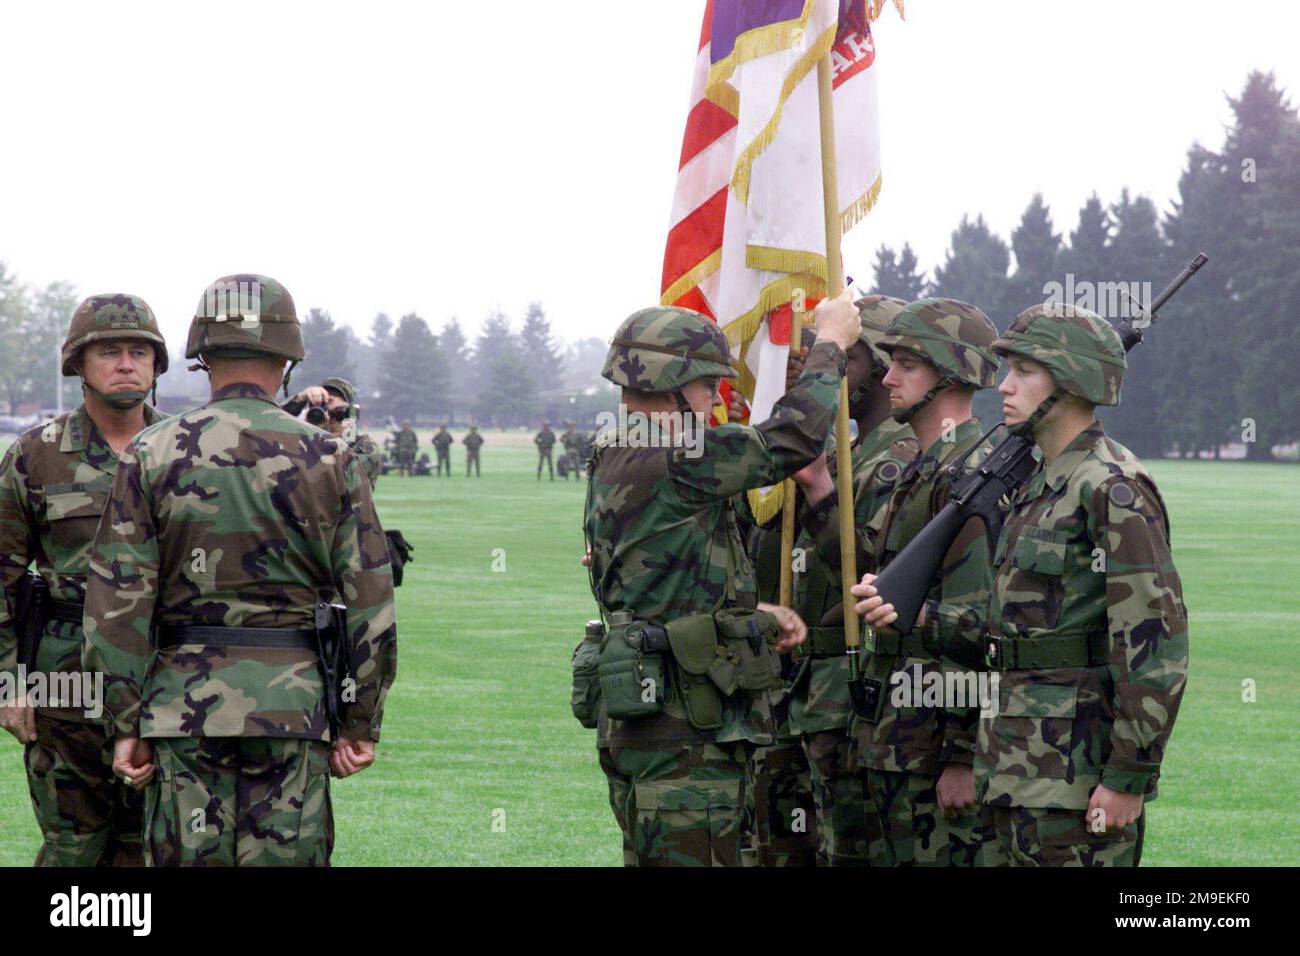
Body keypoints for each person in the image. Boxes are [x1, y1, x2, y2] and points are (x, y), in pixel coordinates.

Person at [81, 273, 398, 866]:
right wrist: (359, 719)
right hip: (293, 708)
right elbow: (371, 603)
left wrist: (124, 719)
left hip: (182, 710)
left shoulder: (151, 453)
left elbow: (116, 604)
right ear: (287, 359)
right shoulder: (332, 458)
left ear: (201, 355)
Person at [581, 290, 861, 866]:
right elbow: (792, 440)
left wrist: (752, 617)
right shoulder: (674, 452)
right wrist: (830, 344)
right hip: (683, 727)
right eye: (708, 384)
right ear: (672, 383)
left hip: (645, 710)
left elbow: (665, 577)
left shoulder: (617, 447)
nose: (717, 398)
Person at [978, 302, 1185, 865]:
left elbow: (1153, 642)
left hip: (1076, 776)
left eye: (1024, 371)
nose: (1004, 386)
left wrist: (1128, 776)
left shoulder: (1110, 488)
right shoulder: (1041, 485)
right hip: (1016, 765)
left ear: (1070, 380)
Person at [0, 293, 169, 867]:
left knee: (153, 843)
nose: (127, 364)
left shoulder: (186, 452)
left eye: (139, 352)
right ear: (78, 364)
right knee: (74, 847)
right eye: (111, 352)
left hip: (164, 673)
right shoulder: (36, 456)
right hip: (64, 677)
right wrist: (8, 684)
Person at [847, 298, 1001, 867]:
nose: (887, 377)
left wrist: (961, 755)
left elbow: (980, 625)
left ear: (952, 373)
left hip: (933, 746)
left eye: (907, 365)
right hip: (896, 733)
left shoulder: (973, 475)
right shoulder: (925, 468)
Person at [778, 295, 919, 866]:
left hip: (854, 690)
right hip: (811, 686)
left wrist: (818, 494)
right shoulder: (848, 452)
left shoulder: (898, 458)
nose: (832, 366)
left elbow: (876, 578)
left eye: (848, 358)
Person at [282, 377, 382, 487]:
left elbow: (337, 482)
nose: (330, 419)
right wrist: (299, 399)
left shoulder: (366, 447)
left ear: (349, 413)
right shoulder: (302, 442)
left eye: (337, 414)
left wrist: (322, 437)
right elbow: (270, 425)